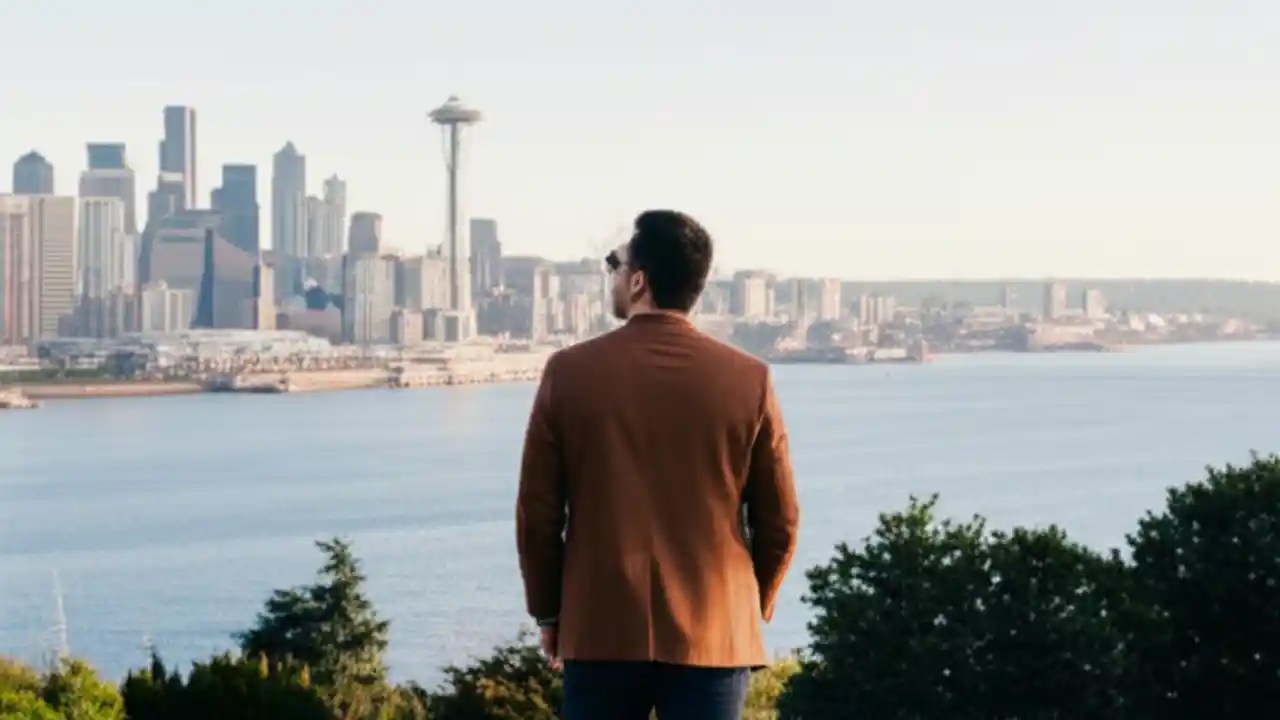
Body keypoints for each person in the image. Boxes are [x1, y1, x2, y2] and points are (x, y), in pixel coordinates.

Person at [516, 209, 800, 719]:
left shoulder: (568, 372)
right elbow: (780, 520)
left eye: (615, 263)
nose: (613, 275)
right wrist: (749, 604)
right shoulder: (750, 379)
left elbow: (537, 516)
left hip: (599, 631)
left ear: (638, 281)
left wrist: (548, 613)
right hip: (715, 630)